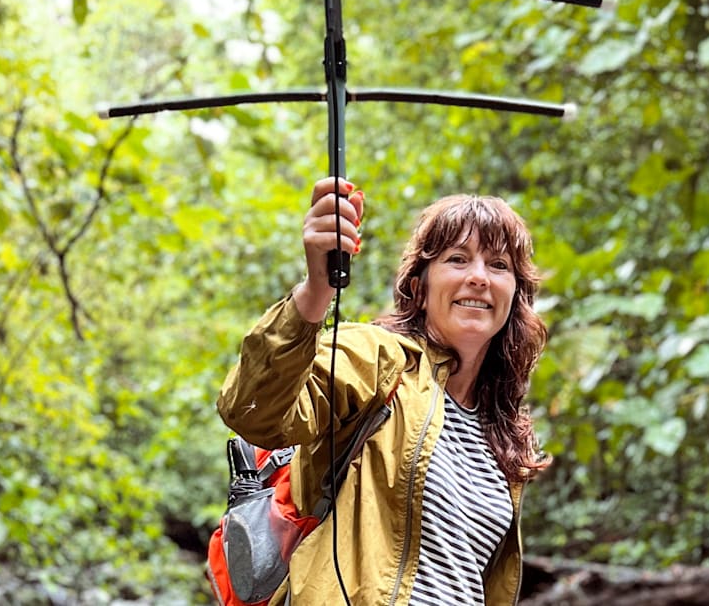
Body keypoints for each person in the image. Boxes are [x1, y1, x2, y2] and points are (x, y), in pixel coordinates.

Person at [217, 177, 550, 605]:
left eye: (499, 265)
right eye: (457, 259)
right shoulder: (377, 358)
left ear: (514, 296)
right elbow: (253, 409)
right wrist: (316, 289)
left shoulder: (501, 429)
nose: (479, 277)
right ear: (419, 288)